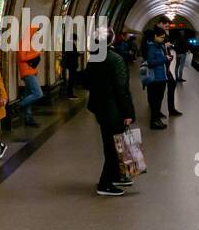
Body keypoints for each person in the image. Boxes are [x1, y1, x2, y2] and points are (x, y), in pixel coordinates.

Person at [77, 27, 136, 196]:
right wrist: (128, 113)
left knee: (111, 144)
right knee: (113, 147)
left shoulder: (94, 57)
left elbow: (87, 83)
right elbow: (122, 89)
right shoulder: (115, 59)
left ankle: (116, 175)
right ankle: (105, 183)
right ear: (111, 40)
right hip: (114, 109)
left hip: (101, 108)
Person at [15, 24, 43, 126]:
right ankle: (18, 106)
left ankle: (28, 118)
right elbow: (22, 57)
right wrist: (37, 53)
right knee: (38, 93)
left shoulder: (29, 44)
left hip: (32, 72)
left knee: (28, 95)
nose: (36, 35)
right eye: (35, 33)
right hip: (27, 73)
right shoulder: (23, 43)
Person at [143, 26, 169, 129]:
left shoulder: (159, 46)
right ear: (155, 36)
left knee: (159, 100)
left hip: (161, 77)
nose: (163, 39)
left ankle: (157, 119)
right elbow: (150, 62)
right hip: (156, 78)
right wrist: (164, 59)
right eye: (161, 37)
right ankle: (154, 122)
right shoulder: (152, 47)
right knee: (156, 101)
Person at [164, 36, 183, 118]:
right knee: (158, 93)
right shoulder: (161, 48)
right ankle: (171, 110)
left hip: (166, 71)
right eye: (168, 42)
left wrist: (169, 58)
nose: (170, 44)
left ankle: (171, 110)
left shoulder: (166, 49)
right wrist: (166, 58)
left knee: (172, 86)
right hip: (163, 72)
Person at [61, 33, 80, 99]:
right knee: (71, 80)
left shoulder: (70, 44)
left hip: (71, 65)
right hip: (71, 65)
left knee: (72, 79)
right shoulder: (70, 44)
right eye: (75, 39)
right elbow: (72, 54)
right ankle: (70, 94)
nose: (75, 41)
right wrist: (78, 53)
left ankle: (70, 93)